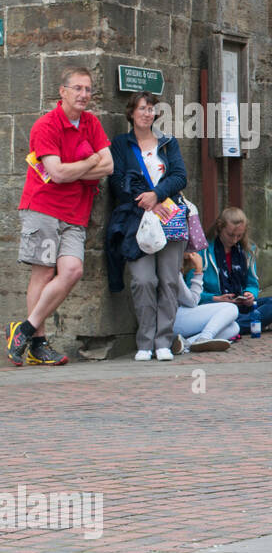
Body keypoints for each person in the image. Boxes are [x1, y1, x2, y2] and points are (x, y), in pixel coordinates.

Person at [8, 66, 114, 366]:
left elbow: (109, 166)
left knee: (72, 271)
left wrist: (77, 169)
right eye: (78, 88)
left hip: (76, 211)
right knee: (42, 273)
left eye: (88, 89)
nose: (84, 94)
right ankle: (38, 345)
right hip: (44, 208)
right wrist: (91, 160)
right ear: (62, 91)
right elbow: (55, 173)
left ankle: (23, 329)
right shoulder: (46, 125)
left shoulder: (91, 123)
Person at [107, 92, 189, 361]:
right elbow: (117, 181)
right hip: (135, 220)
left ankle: (163, 340)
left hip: (168, 217)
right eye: (142, 108)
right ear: (131, 113)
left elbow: (179, 176)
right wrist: (145, 201)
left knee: (168, 280)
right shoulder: (120, 144)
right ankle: (144, 341)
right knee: (143, 280)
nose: (147, 113)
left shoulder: (168, 143)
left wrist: (157, 195)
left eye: (151, 108)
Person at [200, 207, 272, 334]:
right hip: (216, 306)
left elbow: (252, 284)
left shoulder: (248, 251)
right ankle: (260, 324)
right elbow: (193, 294)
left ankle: (230, 327)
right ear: (220, 228)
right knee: (222, 313)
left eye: (239, 235)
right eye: (230, 234)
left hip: (241, 305)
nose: (234, 240)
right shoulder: (203, 251)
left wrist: (250, 294)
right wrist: (217, 298)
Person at [173, 251, 237, 352]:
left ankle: (186, 344)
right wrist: (199, 270)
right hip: (172, 320)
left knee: (234, 327)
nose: (194, 251)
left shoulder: (172, 263)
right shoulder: (172, 266)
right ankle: (204, 338)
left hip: (174, 320)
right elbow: (192, 301)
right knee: (231, 308)